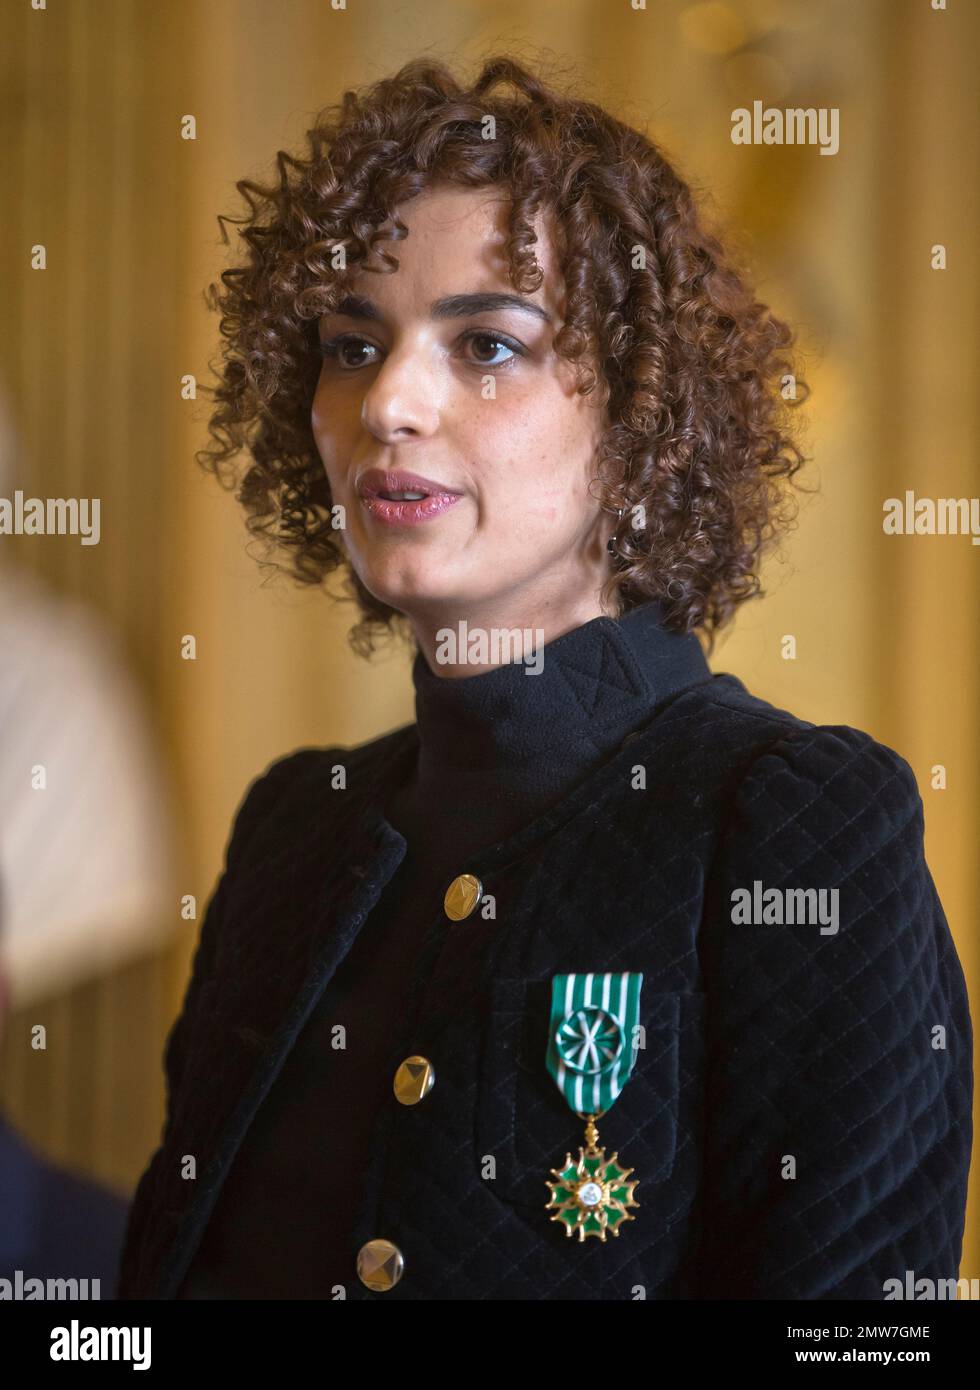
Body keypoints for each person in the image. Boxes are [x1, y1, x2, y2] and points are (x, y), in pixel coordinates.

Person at [117, 56, 972, 1301]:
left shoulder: (796, 826)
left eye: (485, 344)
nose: (387, 401)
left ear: (638, 418)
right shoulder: (293, 829)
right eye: (351, 343)